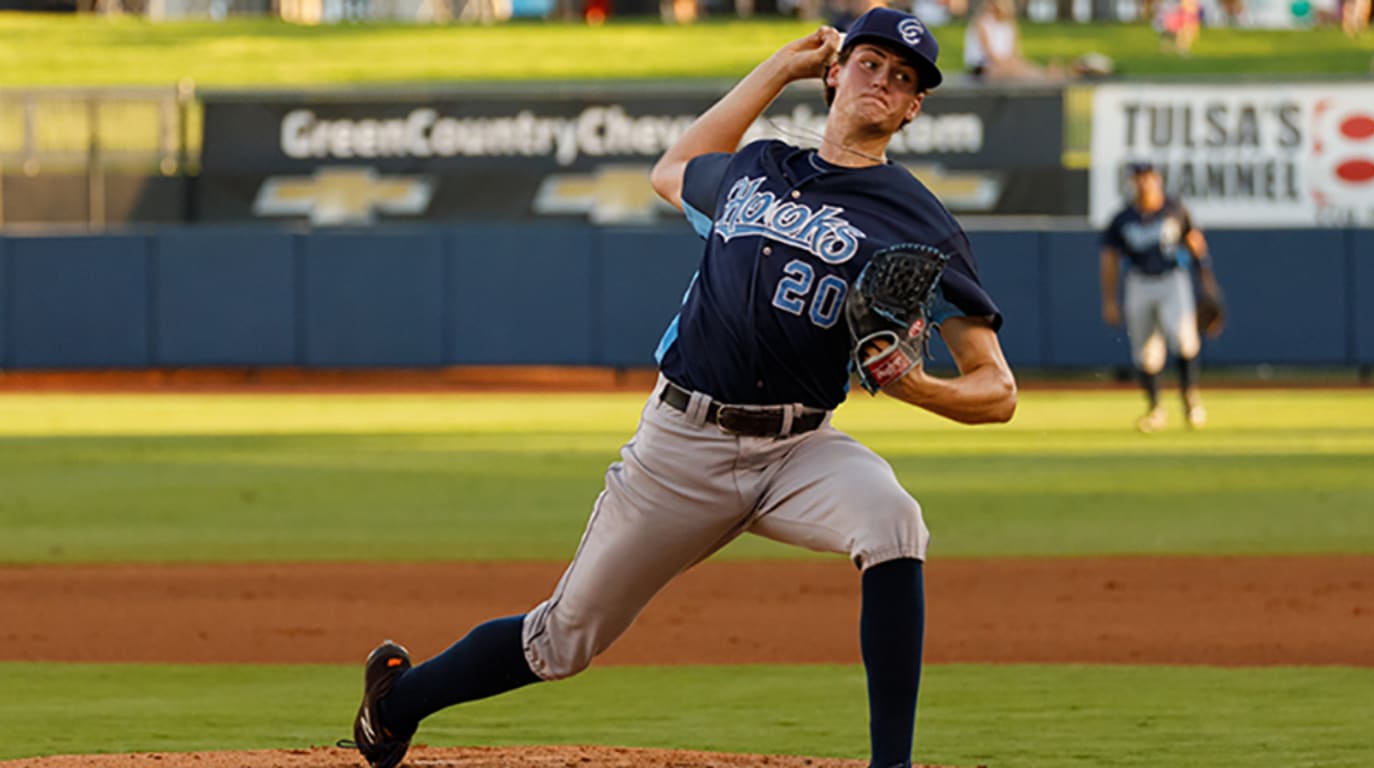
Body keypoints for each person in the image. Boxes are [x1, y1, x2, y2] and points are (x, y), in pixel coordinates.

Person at [340, 8, 1017, 768]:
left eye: (903, 79)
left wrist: (915, 385)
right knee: (561, 641)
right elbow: (671, 169)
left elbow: (997, 390)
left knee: (894, 521)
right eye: (869, 62)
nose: (883, 82)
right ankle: (395, 703)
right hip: (682, 445)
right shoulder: (759, 166)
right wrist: (775, 68)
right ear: (836, 71)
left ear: (914, 107)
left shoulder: (919, 221)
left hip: (799, 450)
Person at [1099, 162, 1217, 433]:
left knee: (1183, 340)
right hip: (1139, 281)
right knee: (1145, 351)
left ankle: (1190, 398)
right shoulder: (1122, 219)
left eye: (1149, 178)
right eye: (1139, 178)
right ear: (1132, 182)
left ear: (1158, 180)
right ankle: (1154, 410)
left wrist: (1208, 282)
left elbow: (1195, 243)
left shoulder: (1174, 209)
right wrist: (1109, 300)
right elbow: (1109, 261)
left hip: (1172, 279)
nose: (1144, 183)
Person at [964, 0, 1052, 81]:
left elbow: (1015, 54)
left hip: (1004, 63)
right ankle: (1045, 77)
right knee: (1015, 71)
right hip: (982, 67)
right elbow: (990, 55)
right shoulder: (982, 23)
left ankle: (1045, 75)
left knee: (1021, 68)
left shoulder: (1009, 26)